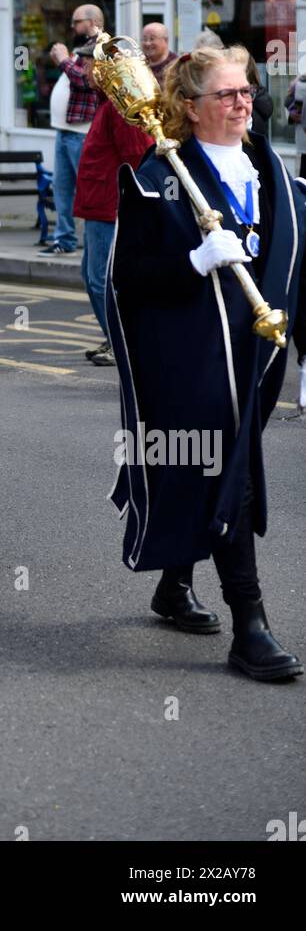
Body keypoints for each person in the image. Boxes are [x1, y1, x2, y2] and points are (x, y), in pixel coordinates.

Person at [108, 45, 304, 681]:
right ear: (189, 108)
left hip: (255, 356)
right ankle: (251, 626)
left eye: (246, 90)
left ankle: (174, 582)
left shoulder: (275, 176)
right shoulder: (155, 176)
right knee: (229, 477)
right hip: (186, 353)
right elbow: (127, 279)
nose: (242, 102)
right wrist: (192, 262)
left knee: (200, 466)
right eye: (225, 94)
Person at [71, 45, 152, 366]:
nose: (84, 70)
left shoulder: (120, 110)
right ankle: (117, 338)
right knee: (93, 277)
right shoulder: (109, 106)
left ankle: (124, 342)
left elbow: (137, 159)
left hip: (111, 207)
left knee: (102, 280)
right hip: (100, 205)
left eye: (88, 63)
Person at [42, 4, 104, 256]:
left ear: (91, 22)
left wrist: (63, 60)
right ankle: (64, 239)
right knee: (62, 187)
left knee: (87, 187)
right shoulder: (80, 49)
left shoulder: (100, 47)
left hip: (81, 131)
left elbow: (84, 81)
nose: (72, 26)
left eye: (76, 21)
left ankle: (91, 239)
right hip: (65, 129)